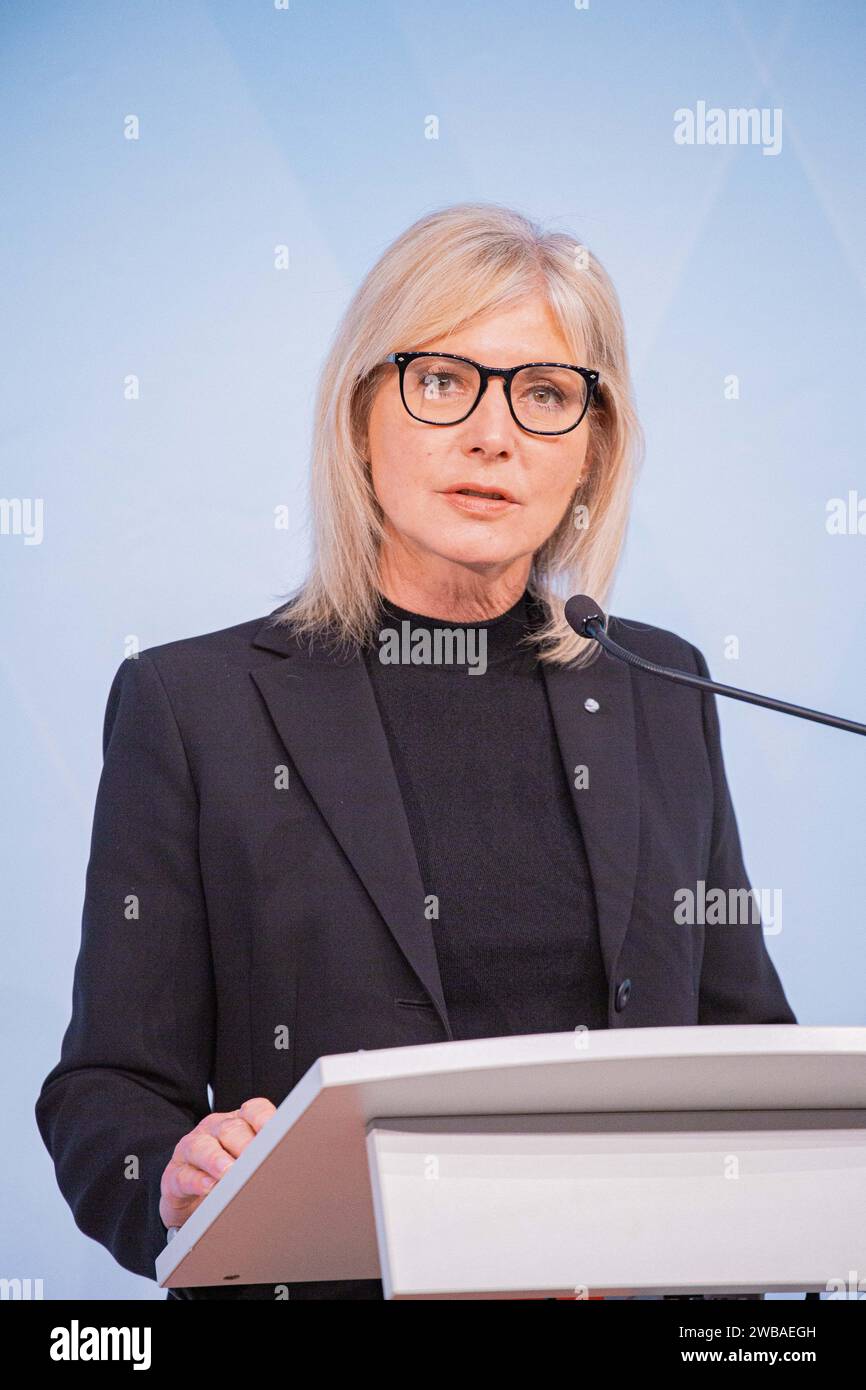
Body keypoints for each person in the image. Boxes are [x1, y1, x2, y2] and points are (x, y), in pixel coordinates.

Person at [35, 202, 795, 1301]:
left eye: (542, 394)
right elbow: (107, 1091)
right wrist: (172, 1171)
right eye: (442, 381)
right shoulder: (193, 705)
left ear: (592, 446)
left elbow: (743, 1049)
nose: (492, 435)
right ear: (359, 421)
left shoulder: (654, 688)